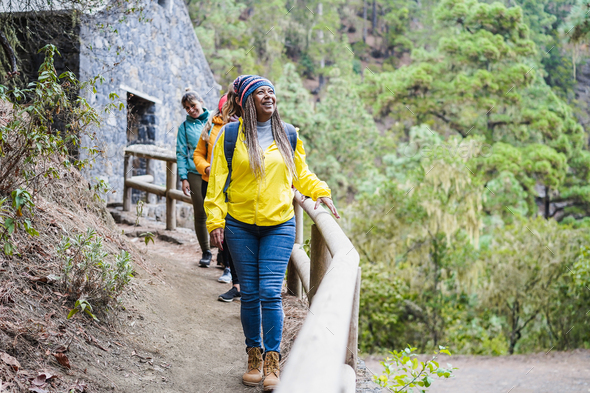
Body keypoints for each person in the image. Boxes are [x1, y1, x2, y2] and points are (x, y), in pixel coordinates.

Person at [204, 75, 339, 391]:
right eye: (260, 92)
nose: (268, 96)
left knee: (269, 292)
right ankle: (254, 356)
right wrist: (215, 221)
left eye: (271, 92)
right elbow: (217, 184)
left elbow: (301, 175)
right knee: (249, 293)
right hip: (239, 226)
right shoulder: (230, 135)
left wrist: (321, 191)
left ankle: (273, 362)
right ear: (247, 101)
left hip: (278, 225)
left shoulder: (288, 134)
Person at [193, 90, 242, 301]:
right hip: (211, 182)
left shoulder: (247, 128)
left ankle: (233, 274)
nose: (228, 113)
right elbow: (198, 153)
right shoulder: (211, 126)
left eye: (231, 109)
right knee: (222, 227)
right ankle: (233, 277)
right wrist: (205, 168)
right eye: (225, 109)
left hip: (235, 187)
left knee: (234, 231)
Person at [176, 89, 212, 267]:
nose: (191, 109)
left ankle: (223, 252)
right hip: (195, 174)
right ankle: (206, 251)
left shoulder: (214, 118)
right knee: (200, 213)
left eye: (193, 105)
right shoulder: (184, 127)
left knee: (220, 211)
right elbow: (181, 153)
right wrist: (183, 178)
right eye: (187, 108)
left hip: (215, 172)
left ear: (201, 102)